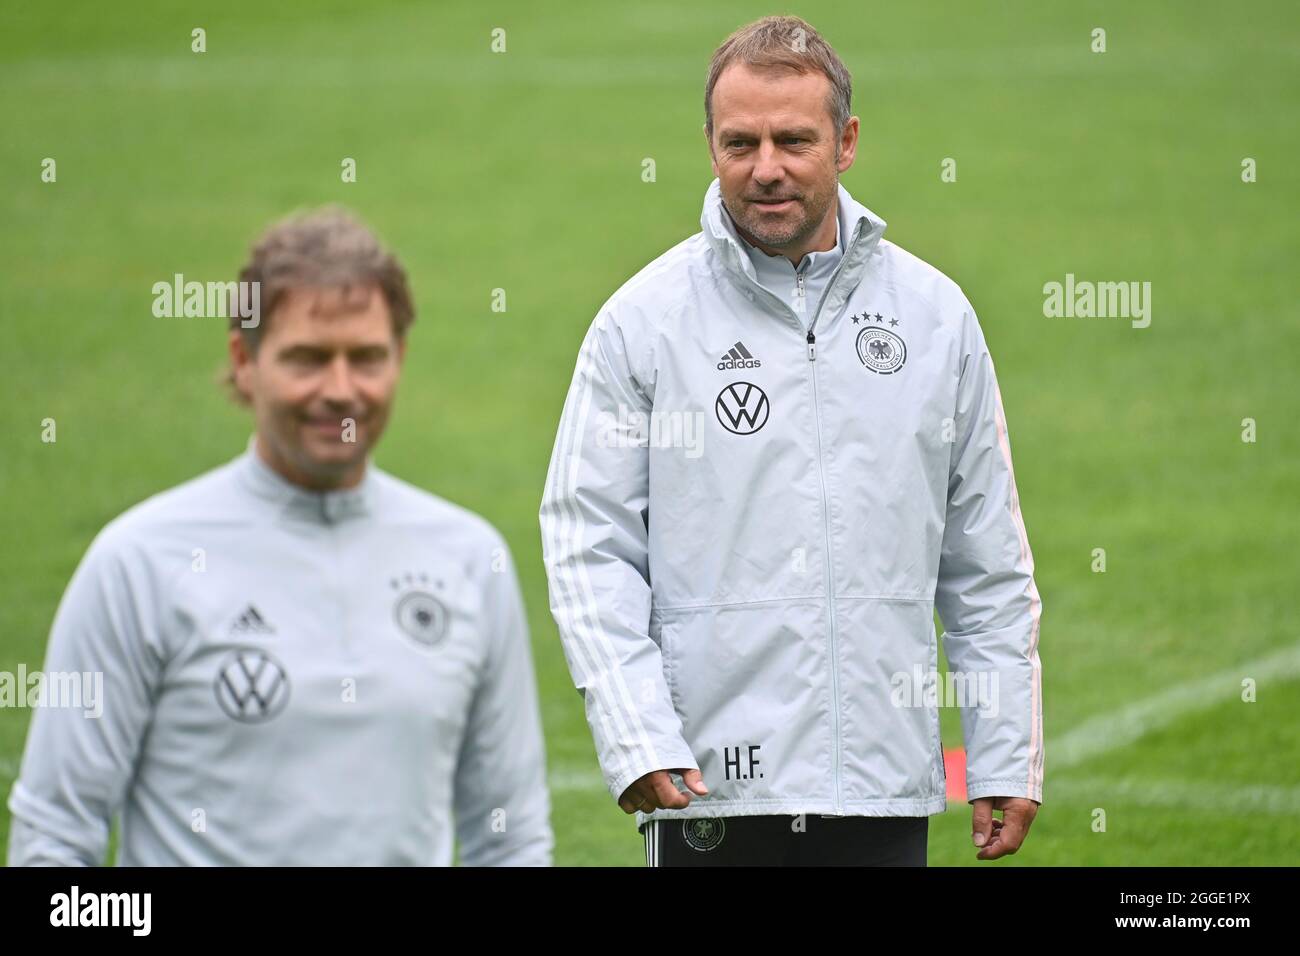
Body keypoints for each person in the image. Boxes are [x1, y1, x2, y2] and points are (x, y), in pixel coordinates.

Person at [540, 15, 1042, 866]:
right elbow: (589, 545)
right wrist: (636, 735)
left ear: (845, 143)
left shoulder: (934, 318)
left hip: (880, 788)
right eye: (740, 142)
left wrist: (1003, 747)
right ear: (708, 144)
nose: (765, 169)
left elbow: (986, 558)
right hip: (709, 788)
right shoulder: (643, 324)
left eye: (793, 140)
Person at [7, 207, 553, 866]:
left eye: (367, 358)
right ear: (245, 360)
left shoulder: (469, 560)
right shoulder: (140, 563)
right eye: (308, 359)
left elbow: (511, 838)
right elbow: (55, 838)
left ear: (400, 358)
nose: (341, 390)